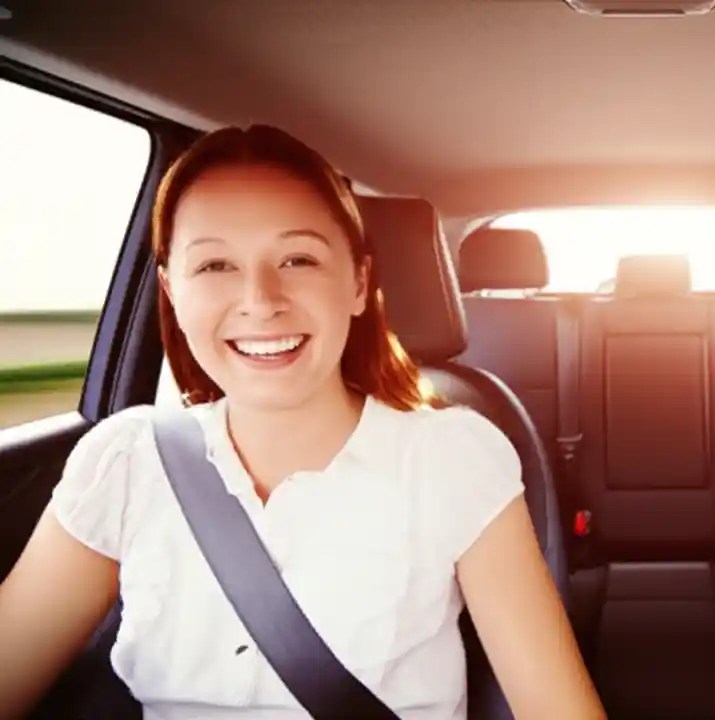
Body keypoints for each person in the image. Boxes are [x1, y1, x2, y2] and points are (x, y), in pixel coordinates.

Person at [0, 125, 604, 719]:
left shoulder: (450, 457)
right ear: (171, 291)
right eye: (215, 266)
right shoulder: (125, 461)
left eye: (297, 258)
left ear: (359, 283)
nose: (261, 299)